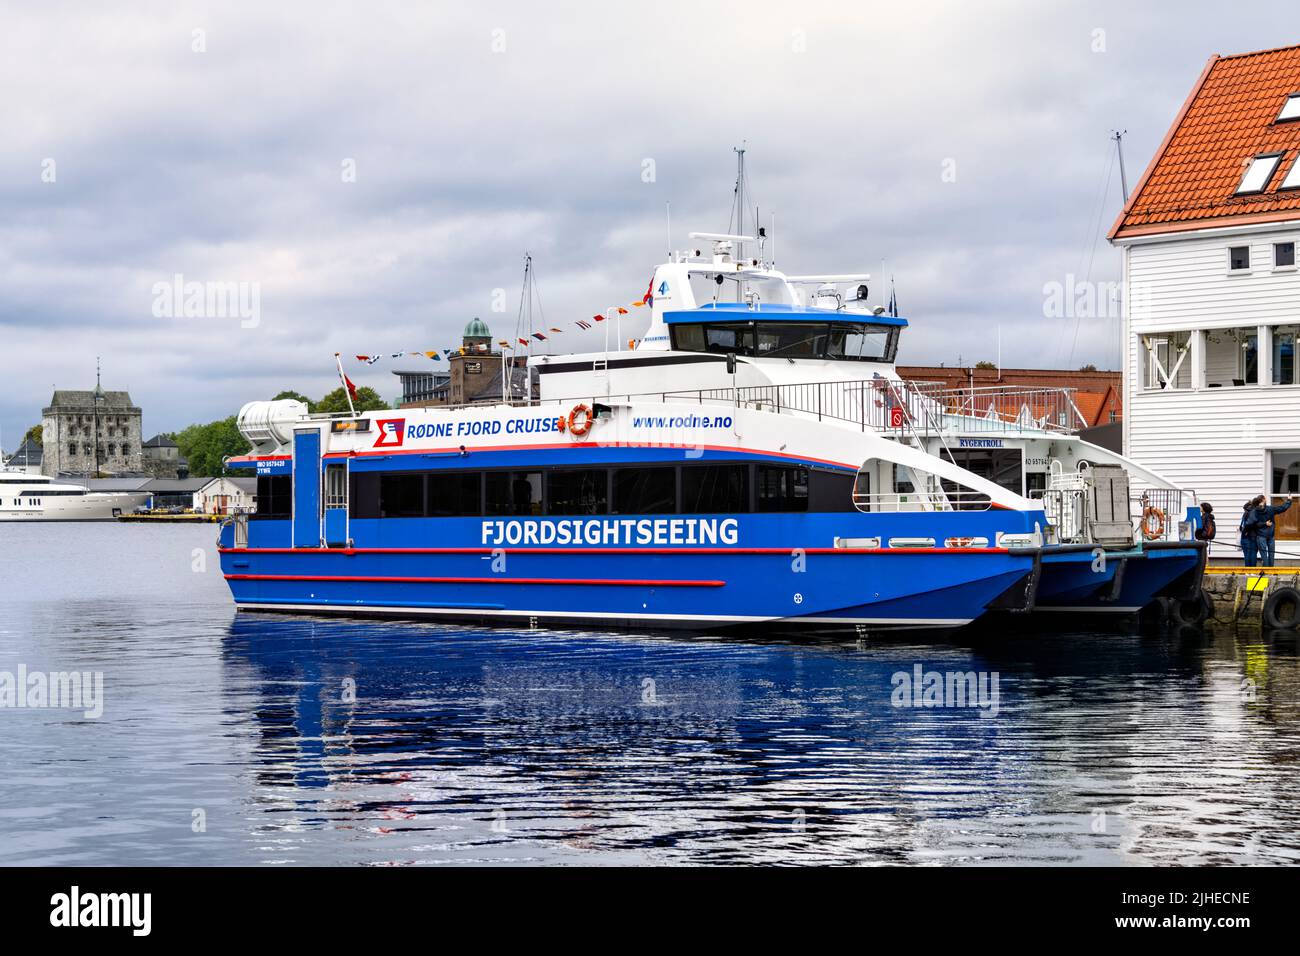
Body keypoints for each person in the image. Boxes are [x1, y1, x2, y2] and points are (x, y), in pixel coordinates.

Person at [1251, 495, 1293, 568]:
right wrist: (1289, 500)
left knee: (1264, 554)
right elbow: (1282, 508)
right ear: (1263, 500)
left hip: (1261, 535)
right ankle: (1271, 571)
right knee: (1271, 553)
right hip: (1270, 535)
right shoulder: (1270, 509)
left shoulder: (1254, 511)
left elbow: (1254, 524)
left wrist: (1264, 524)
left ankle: (1266, 571)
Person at [1239, 500, 1260, 566]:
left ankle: (1247, 570)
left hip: (1246, 536)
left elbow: (1244, 525)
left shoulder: (1246, 513)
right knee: (1253, 553)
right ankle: (1252, 570)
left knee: (1247, 553)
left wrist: (1244, 531)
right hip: (1253, 535)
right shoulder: (1255, 512)